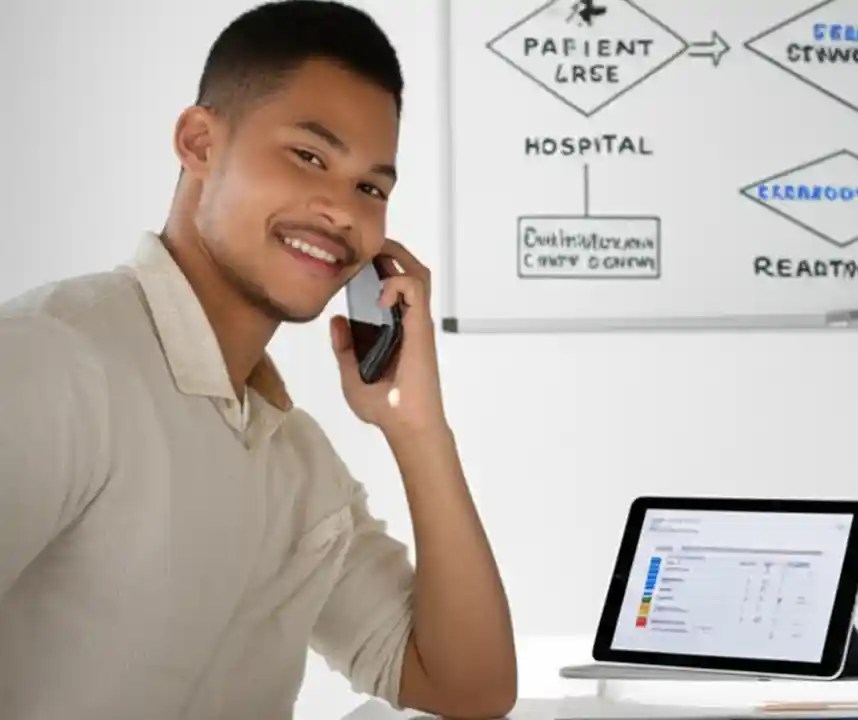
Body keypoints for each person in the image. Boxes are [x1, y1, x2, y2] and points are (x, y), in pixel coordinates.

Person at [0, 1, 517, 717]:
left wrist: (417, 428)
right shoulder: (48, 364)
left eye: (371, 187)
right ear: (200, 142)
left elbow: (468, 687)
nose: (343, 211)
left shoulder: (297, 463)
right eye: (309, 156)